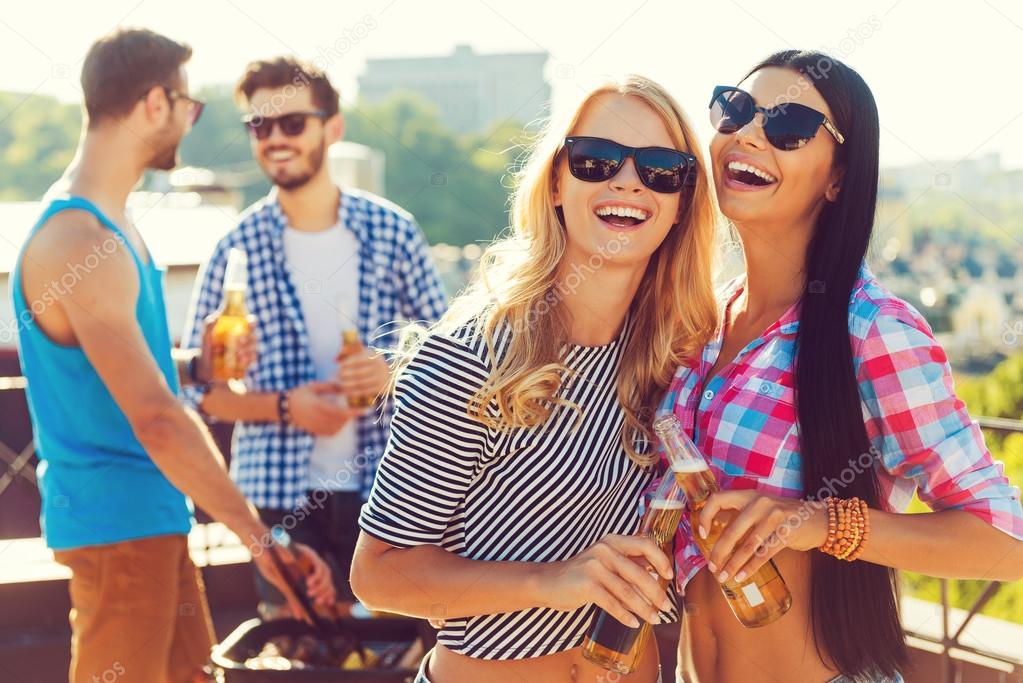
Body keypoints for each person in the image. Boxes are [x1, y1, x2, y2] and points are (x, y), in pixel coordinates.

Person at [660, 50, 1023, 683]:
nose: (746, 134)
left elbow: (1004, 541)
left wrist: (819, 523)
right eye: (735, 109)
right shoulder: (700, 325)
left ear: (837, 177)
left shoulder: (872, 330)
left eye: (789, 125)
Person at [351, 75, 720, 683]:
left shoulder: (676, 358)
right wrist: (551, 581)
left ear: (682, 201)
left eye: (661, 168)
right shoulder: (470, 360)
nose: (627, 181)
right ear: (555, 181)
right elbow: (378, 575)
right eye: (596, 160)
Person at [11, 29, 333, 683]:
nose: (191, 119)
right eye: (191, 104)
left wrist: (197, 368)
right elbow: (157, 419)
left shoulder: (111, 223)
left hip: (151, 524)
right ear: (155, 102)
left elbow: (122, 380)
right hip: (116, 531)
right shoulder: (76, 238)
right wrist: (259, 537)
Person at [181, 56, 447, 617]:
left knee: (388, 656)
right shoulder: (236, 246)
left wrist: (392, 371)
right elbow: (200, 393)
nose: (275, 138)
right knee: (295, 652)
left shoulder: (392, 231)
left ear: (333, 126)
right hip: (276, 501)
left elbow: (454, 358)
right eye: (260, 125)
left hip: (391, 491)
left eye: (292, 123)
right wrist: (285, 407)